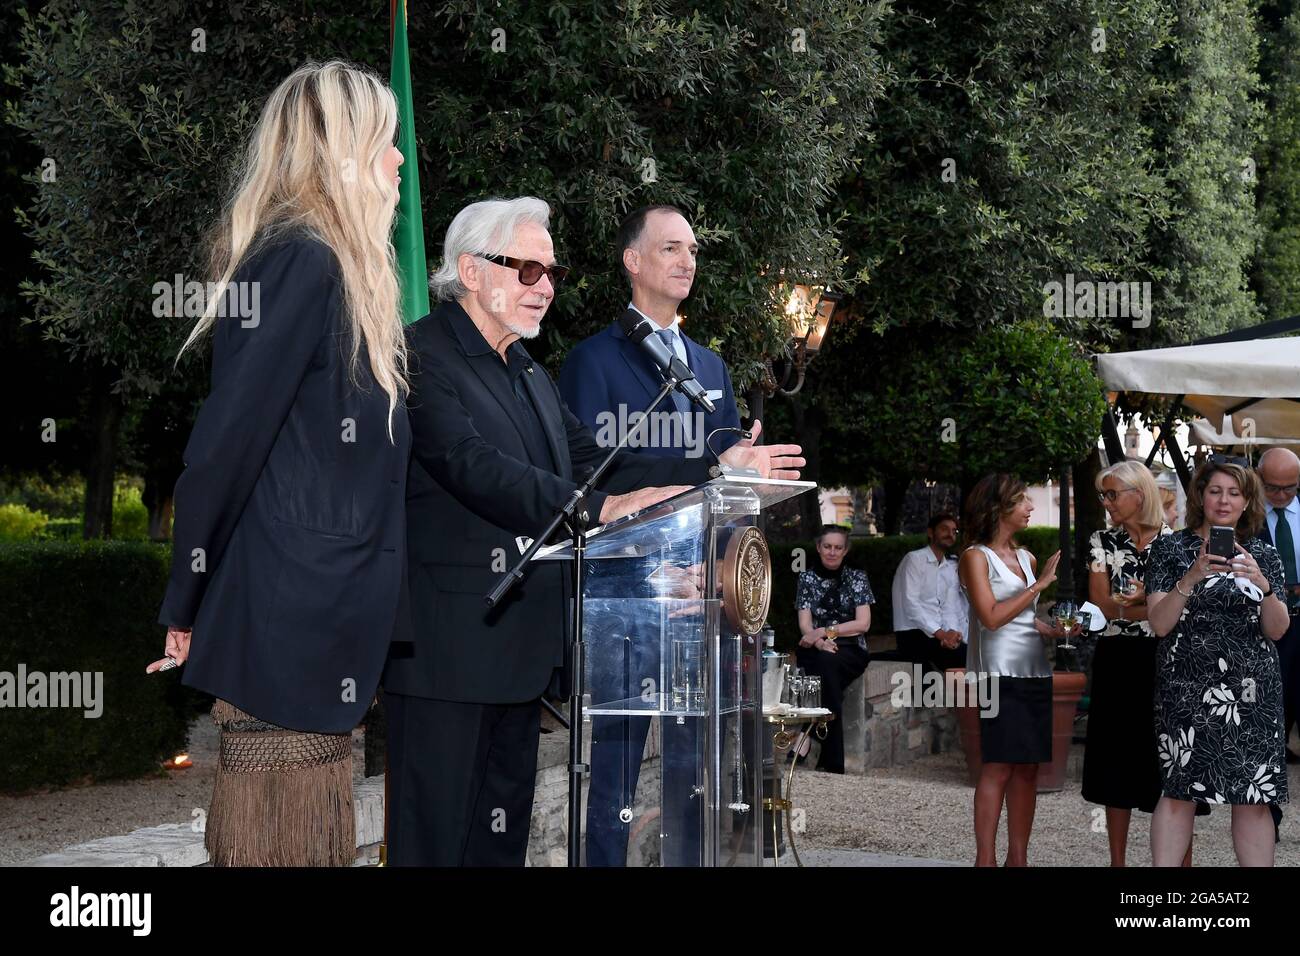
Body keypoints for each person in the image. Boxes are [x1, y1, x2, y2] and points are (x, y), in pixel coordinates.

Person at [382, 196, 804, 866]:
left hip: (520, 657)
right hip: (446, 658)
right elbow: (472, 467)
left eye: (552, 272)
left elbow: (597, 464)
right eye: (527, 270)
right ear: (470, 270)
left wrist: (711, 468)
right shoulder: (420, 355)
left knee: (498, 848)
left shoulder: (526, 372)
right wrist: (601, 509)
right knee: (434, 846)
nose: (546, 286)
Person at [149, 61, 412, 866]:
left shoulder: (344, 273)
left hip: (320, 625)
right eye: (384, 144)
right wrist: (185, 599)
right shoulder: (302, 259)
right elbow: (228, 440)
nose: (400, 162)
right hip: (287, 623)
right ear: (336, 154)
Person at [558, 204, 744, 866]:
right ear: (632, 261)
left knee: (696, 773)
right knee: (614, 778)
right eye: (671, 248)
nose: (688, 260)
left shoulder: (714, 371)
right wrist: (715, 467)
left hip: (699, 601)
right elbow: (592, 479)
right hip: (625, 605)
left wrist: (722, 571)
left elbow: (730, 489)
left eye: (693, 249)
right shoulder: (592, 363)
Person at [1145, 456, 1290, 866]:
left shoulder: (1264, 553)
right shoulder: (1170, 549)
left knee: (1254, 796)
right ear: (1200, 497)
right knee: (1178, 792)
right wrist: (1190, 578)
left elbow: (1278, 630)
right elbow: (1159, 624)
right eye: (1215, 491)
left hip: (1253, 690)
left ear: (1247, 502)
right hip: (1186, 687)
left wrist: (1264, 586)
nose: (1224, 501)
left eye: (1234, 493)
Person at [959, 473, 1070, 866]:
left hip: (1035, 674)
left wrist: (1051, 629)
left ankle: (1018, 858)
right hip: (997, 676)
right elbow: (990, 618)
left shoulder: (1027, 558)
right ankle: (984, 859)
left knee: (1027, 768)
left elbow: (1022, 619)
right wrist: (1037, 587)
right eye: (1022, 500)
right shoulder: (975, 557)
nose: (1031, 507)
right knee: (998, 765)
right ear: (998, 508)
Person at [1081, 461, 1173, 866]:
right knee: (1114, 762)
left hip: (1167, 662)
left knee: (1167, 763)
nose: (1106, 502)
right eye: (1103, 494)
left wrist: (1140, 603)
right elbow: (1102, 606)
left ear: (1140, 493)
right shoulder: (1101, 540)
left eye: (1112, 493)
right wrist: (1153, 606)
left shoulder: (1178, 543)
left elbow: (1184, 608)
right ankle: (1117, 863)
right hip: (1117, 661)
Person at [794, 524, 874, 773]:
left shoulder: (857, 577)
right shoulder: (806, 578)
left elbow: (863, 624)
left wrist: (826, 632)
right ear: (818, 548)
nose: (832, 552)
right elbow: (805, 625)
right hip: (817, 647)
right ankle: (830, 758)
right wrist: (818, 641)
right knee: (821, 665)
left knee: (825, 666)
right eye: (827, 546)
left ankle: (809, 737)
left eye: (838, 547)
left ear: (845, 550)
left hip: (850, 648)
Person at [892, 513, 965, 672]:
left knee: (968, 657)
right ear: (931, 533)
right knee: (927, 679)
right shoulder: (914, 559)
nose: (950, 534)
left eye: (954, 531)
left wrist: (952, 633)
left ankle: (966, 697)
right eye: (944, 529)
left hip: (937, 634)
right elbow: (911, 604)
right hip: (911, 632)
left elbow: (949, 607)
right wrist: (941, 634)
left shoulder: (949, 567)